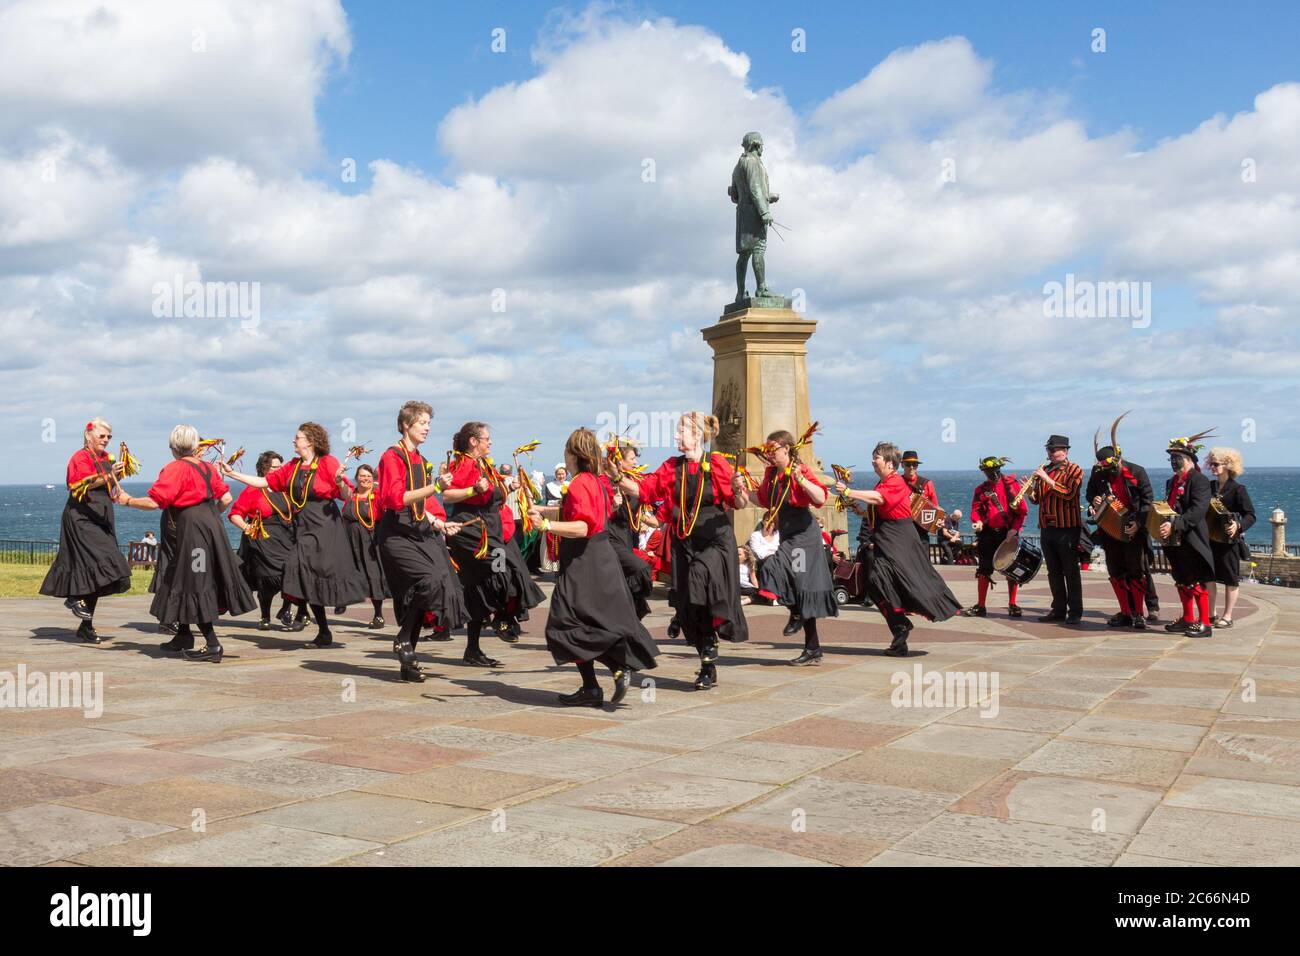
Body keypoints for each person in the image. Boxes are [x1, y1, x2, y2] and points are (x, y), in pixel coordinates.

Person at [610, 411, 749, 690]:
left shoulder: (718, 464)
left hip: (715, 541)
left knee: (699, 577)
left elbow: (739, 503)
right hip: (685, 540)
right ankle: (707, 662)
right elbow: (644, 490)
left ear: (696, 435)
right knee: (686, 601)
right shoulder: (672, 467)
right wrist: (615, 476)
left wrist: (739, 490)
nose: (676, 436)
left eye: (681, 431)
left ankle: (710, 640)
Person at [529, 428, 659, 707]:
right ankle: (596, 683)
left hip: (583, 559)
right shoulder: (594, 482)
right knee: (582, 621)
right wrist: (542, 510)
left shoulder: (580, 483)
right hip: (599, 557)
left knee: (564, 624)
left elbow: (583, 526)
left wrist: (546, 525)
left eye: (565, 450)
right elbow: (584, 513)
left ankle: (610, 671)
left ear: (573, 454)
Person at [221, 422, 365, 648]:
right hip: (303, 525)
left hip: (326, 524)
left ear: (310, 440)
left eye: (297, 437)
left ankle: (319, 618)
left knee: (322, 571)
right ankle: (319, 627)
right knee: (298, 568)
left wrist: (338, 481)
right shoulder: (293, 466)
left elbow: (346, 494)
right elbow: (265, 482)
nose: (294, 441)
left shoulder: (328, 463)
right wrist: (233, 474)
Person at [117, 424, 256, 660]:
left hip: (192, 532)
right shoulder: (207, 468)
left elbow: (154, 502)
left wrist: (127, 500)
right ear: (194, 446)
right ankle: (183, 635)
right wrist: (209, 519)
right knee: (182, 578)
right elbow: (226, 498)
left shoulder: (175, 469)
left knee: (195, 580)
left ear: (173, 447)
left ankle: (212, 644)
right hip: (210, 525)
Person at [834, 442, 961, 655]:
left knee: (903, 581)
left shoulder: (894, 482)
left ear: (890, 464)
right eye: (873, 456)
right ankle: (899, 628)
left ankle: (902, 625)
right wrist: (859, 510)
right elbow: (880, 509)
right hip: (887, 538)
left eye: (877, 457)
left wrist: (849, 491)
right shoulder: (883, 482)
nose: (873, 460)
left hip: (900, 539)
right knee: (875, 582)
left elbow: (880, 499)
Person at [375, 401, 470, 682]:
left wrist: (439, 522)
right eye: (422, 423)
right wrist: (437, 486)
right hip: (396, 533)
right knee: (428, 581)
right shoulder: (392, 456)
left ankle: (408, 657)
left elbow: (420, 504)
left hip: (418, 529)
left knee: (439, 583)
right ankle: (404, 641)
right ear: (406, 425)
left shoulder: (418, 458)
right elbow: (395, 499)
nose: (427, 428)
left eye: (429, 423)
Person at [443, 421, 546, 666]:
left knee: (479, 587)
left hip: (490, 530)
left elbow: (492, 491)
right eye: (486, 438)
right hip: (471, 532)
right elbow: (447, 495)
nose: (490, 442)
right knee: (505, 568)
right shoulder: (462, 463)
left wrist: (508, 485)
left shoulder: (483, 465)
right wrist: (471, 489)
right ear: (473, 441)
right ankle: (502, 618)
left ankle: (473, 649)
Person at [40, 417, 133, 643]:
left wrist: (117, 473)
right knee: (108, 560)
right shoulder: (79, 458)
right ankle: (73, 596)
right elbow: (80, 485)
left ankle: (86, 626)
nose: (106, 440)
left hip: (100, 517)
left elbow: (106, 483)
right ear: (88, 435)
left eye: (109, 437)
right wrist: (108, 475)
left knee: (97, 573)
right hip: (81, 518)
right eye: (102, 436)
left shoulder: (104, 458)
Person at [751, 430, 838, 665]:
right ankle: (806, 633)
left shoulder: (799, 471)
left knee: (800, 584)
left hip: (804, 538)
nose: (768, 455)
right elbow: (761, 499)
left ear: (786, 449)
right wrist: (738, 490)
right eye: (766, 450)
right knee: (769, 569)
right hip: (788, 537)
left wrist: (802, 480)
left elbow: (820, 497)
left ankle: (810, 643)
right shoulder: (771, 474)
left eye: (773, 450)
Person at [1085, 423, 1156, 630]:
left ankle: (1140, 614)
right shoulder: (1099, 473)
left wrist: (1138, 523)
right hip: (1109, 528)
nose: (1108, 472)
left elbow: (1147, 500)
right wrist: (1095, 500)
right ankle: (1125, 612)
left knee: (1136, 571)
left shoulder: (1137, 471)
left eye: (1110, 468)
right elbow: (1090, 493)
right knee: (1116, 571)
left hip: (1133, 528)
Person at [1157, 431, 1218, 637]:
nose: (1174, 462)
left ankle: (1205, 623)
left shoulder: (1199, 481)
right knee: (1182, 579)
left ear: (1190, 459)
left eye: (1178, 458)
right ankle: (1188, 618)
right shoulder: (1171, 482)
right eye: (1171, 458)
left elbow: (1198, 511)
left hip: (1191, 539)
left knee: (1196, 580)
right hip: (1174, 541)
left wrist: (1174, 525)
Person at [227, 450, 296, 630]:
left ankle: (286, 609)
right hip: (262, 541)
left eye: (281, 467)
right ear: (264, 469)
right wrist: (247, 528)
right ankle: (265, 615)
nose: (279, 470)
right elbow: (235, 514)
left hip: (287, 539)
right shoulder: (253, 490)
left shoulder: (286, 489)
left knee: (291, 574)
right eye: (275, 467)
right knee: (268, 580)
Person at [1028, 435, 1086, 624]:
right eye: (1048, 450)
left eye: (1053, 450)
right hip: (1047, 527)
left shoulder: (1074, 469)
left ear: (1065, 451)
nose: (1050, 454)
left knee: (1071, 571)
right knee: (1053, 571)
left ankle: (1075, 611)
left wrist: (1047, 479)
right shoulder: (1046, 470)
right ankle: (1058, 609)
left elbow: (1069, 494)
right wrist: (1030, 492)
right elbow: (1038, 499)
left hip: (1067, 527)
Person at [962, 456, 1028, 618]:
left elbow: (1022, 512)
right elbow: (975, 510)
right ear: (984, 472)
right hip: (988, 534)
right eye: (989, 471)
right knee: (984, 570)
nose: (994, 474)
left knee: (1010, 569)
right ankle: (981, 606)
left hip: (1008, 534)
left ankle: (1013, 604)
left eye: (996, 470)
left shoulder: (1011, 486)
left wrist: (1014, 529)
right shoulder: (981, 490)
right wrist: (977, 521)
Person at [602, 437, 654, 619]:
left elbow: (645, 503)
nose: (636, 462)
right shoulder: (603, 482)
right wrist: (613, 504)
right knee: (640, 569)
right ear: (618, 461)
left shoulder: (633, 481)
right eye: (632, 459)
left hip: (629, 537)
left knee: (624, 579)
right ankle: (624, 615)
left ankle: (624, 618)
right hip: (610, 537)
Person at [1205, 447, 1256, 628]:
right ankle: (1211, 614)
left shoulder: (1238, 490)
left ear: (1228, 465)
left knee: (1230, 579)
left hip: (1229, 542)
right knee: (1208, 578)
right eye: (1211, 463)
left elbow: (1250, 515)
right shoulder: (1209, 487)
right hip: (1209, 539)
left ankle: (1227, 616)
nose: (1212, 467)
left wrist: (1239, 526)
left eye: (1216, 464)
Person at [899, 451, 939, 549]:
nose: (911, 467)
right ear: (902, 465)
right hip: (902, 528)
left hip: (921, 529)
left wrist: (938, 519)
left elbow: (935, 506)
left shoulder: (927, 483)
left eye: (914, 464)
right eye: (908, 464)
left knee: (923, 560)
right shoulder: (897, 483)